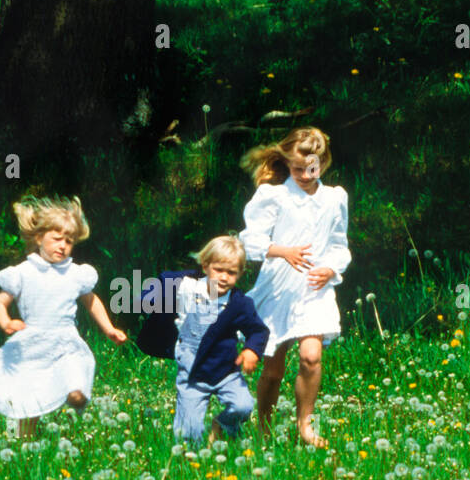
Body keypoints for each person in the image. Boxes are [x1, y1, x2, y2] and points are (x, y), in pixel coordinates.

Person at [0, 196, 126, 437]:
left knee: (76, 378)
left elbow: (91, 301)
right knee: (29, 398)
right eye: (57, 239)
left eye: (69, 241)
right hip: (32, 343)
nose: (63, 246)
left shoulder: (75, 274)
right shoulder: (22, 273)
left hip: (65, 341)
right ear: (39, 238)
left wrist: (109, 329)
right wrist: (6, 322)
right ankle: (21, 440)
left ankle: (76, 396)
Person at [238, 126, 350, 447]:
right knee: (273, 370)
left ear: (323, 164)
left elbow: (340, 245)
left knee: (311, 357)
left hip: (315, 288)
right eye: (297, 168)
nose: (304, 174)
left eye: (311, 168)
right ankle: (264, 427)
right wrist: (282, 251)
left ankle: (305, 425)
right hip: (278, 289)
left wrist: (330, 268)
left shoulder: (333, 198)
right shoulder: (274, 196)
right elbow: (251, 240)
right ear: (287, 163)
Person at [136, 236, 268, 443]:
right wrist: (148, 299)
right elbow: (160, 285)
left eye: (231, 273)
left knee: (243, 405)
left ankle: (223, 425)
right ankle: (188, 460)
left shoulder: (240, 303)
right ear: (205, 266)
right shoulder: (187, 287)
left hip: (226, 369)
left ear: (240, 274)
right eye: (219, 270)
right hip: (192, 368)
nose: (224, 277)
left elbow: (258, 330)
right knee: (189, 430)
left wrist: (252, 349)